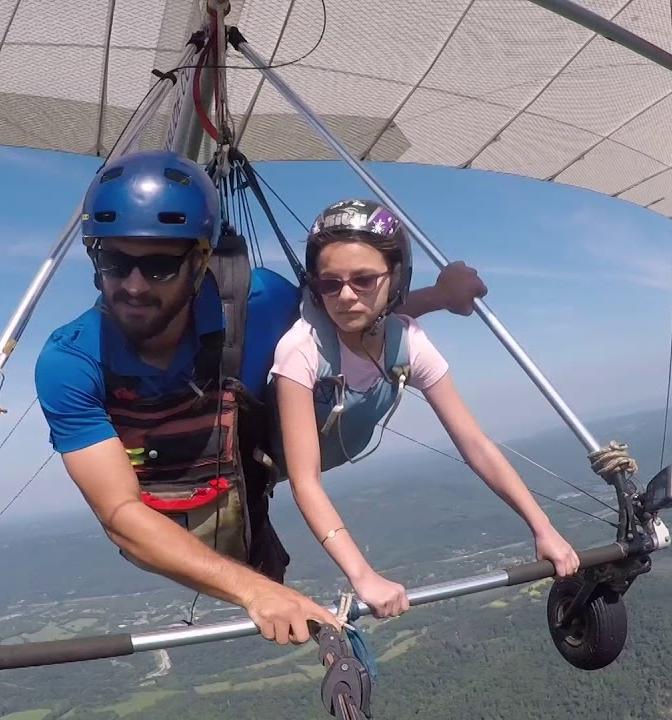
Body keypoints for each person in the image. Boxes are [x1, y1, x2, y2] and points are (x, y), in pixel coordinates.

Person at [33, 151, 489, 646]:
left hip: (245, 479)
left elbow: (348, 317)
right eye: (114, 262)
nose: (134, 286)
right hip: (158, 518)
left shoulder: (261, 303)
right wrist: (255, 592)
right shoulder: (70, 360)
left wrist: (438, 297)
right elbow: (121, 514)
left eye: (160, 265)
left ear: (200, 260)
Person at [267, 198, 581, 620]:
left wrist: (543, 529)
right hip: (271, 458)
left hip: (340, 435)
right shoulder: (301, 350)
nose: (345, 296)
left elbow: (474, 443)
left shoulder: (407, 342)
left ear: (394, 278)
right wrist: (362, 575)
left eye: (363, 279)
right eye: (329, 284)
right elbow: (306, 482)